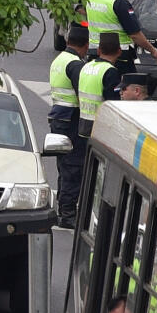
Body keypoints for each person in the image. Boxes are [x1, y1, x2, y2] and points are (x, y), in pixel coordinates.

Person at [48, 23, 91, 221]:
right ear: (85, 44)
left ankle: (62, 208)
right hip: (71, 119)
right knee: (73, 165)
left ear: (68, 41)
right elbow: (82, 94)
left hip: (58, 118)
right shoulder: (75, 64)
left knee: (64, 165)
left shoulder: (59, 59)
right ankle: (67, 213)